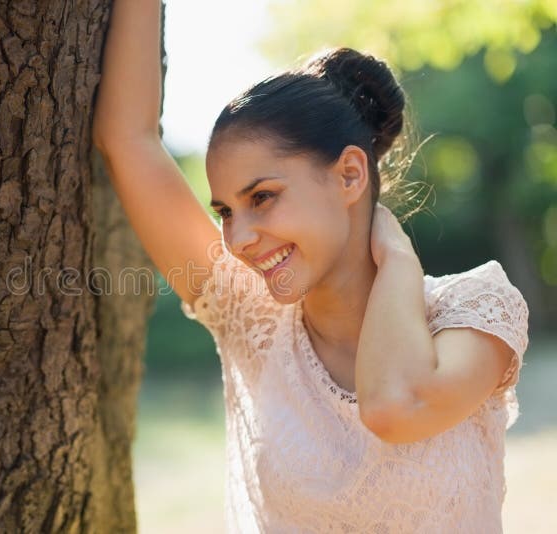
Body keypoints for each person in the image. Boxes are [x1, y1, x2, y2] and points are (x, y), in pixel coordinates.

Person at [91, 2, 530, 532]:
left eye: (263, 197)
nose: (238, 238)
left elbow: (396, 406)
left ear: (349, 175)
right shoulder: (250, 324)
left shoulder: (476, 310)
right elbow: (128, 141)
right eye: (226, 212)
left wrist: (398, 263)